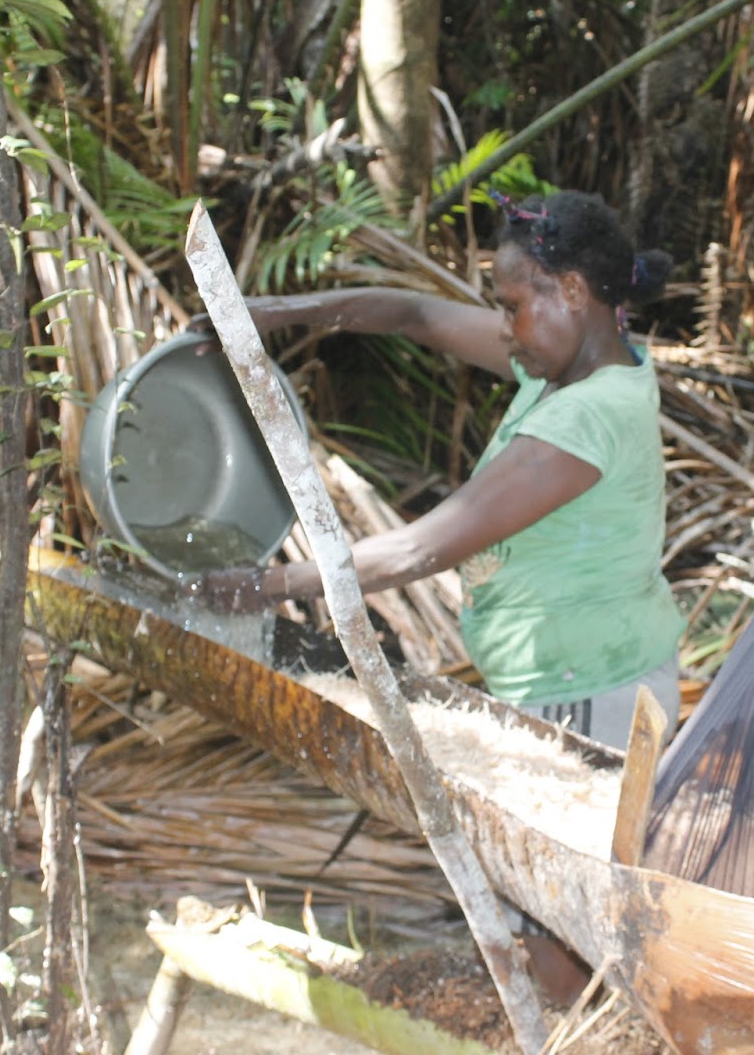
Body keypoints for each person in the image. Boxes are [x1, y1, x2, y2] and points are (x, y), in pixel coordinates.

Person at [197, 190, 685, 750]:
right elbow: (415, 313)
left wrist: (264, 586)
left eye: (511, 306)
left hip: (595, 692)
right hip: (578, 678)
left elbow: (418, 549)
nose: (503, 327)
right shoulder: (573, 366)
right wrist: (279, 313)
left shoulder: (588, 416)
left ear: (573, 291)